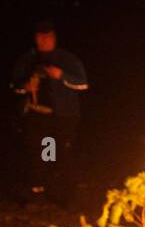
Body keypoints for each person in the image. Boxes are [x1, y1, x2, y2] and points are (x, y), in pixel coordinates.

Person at [10, 21, 88, 206]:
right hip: (37, 115)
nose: (44, 40)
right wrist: (25, 87)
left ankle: (66, 195)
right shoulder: (28, 59)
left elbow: (83, 84)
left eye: (48, 36)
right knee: (39, 153)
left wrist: (61, 76)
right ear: (36, 37)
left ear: (54, 37)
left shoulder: (67, 59)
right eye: (40, 36)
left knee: (62, 153)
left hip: (63, 116)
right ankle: (38, 192)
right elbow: (15, 85)